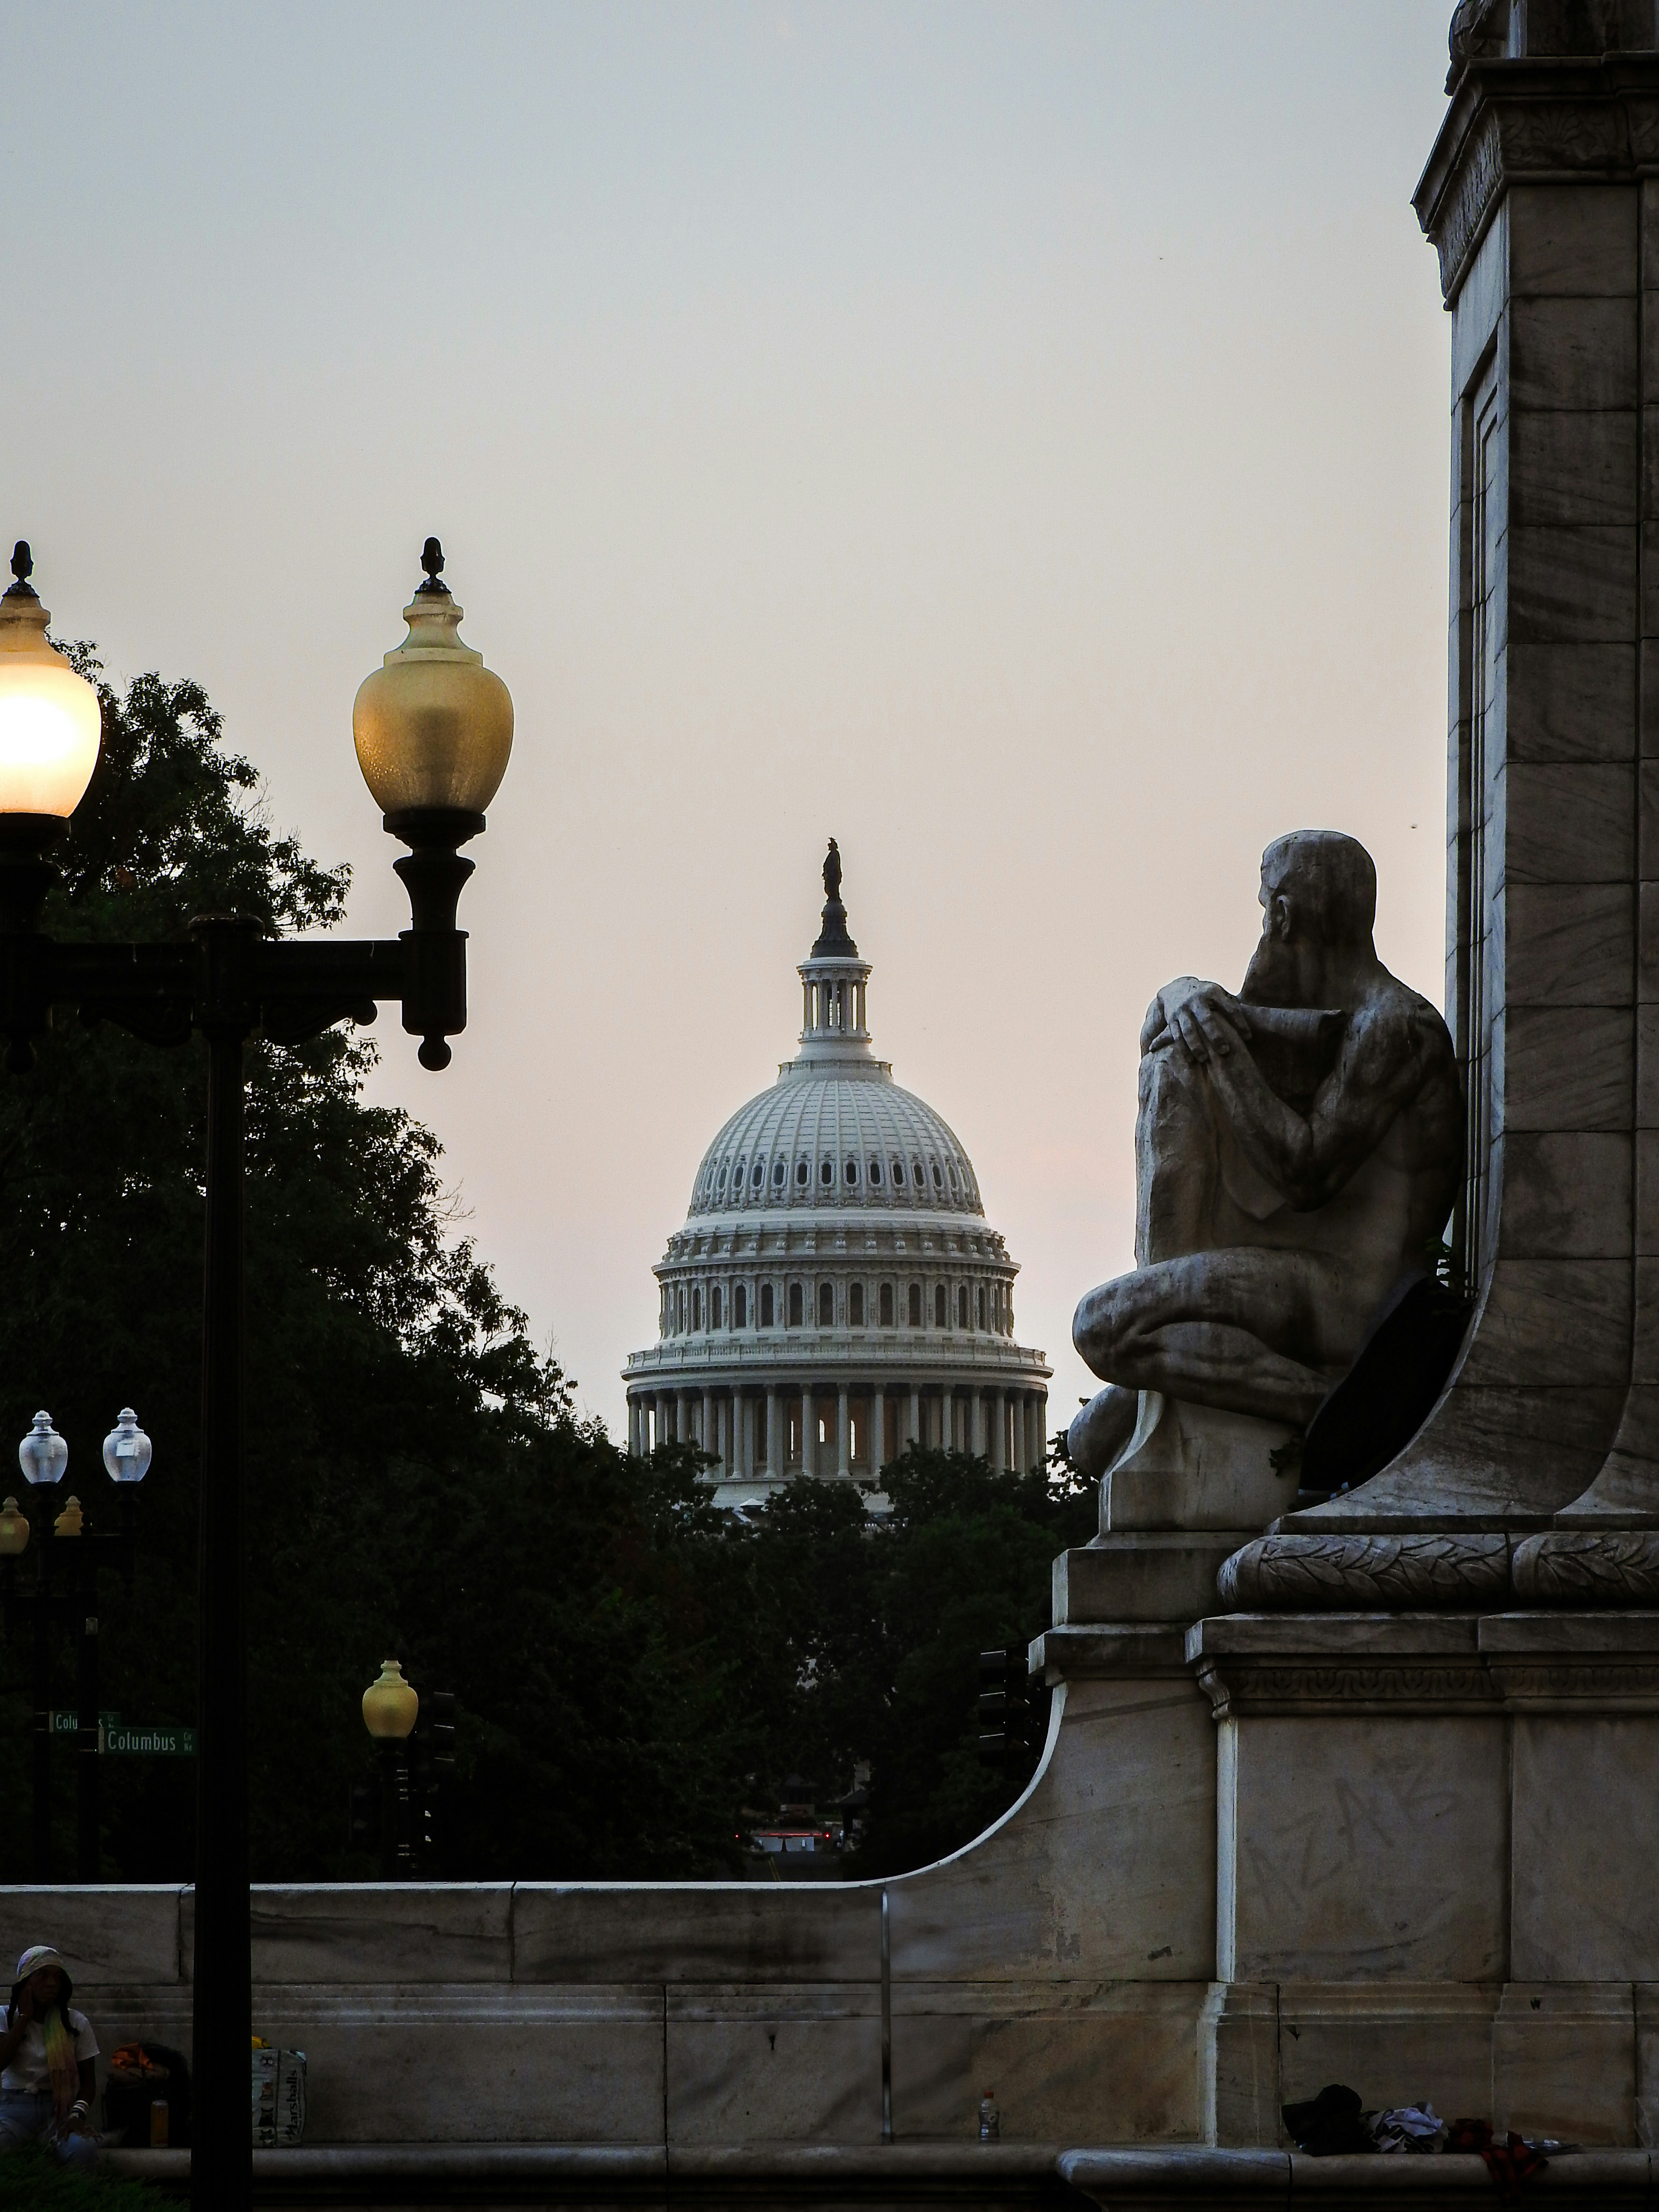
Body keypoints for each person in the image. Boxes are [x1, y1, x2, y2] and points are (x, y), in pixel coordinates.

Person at [1071, 830, 1462, 1470]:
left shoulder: (1394, 1025)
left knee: (1102, 1325)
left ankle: (1336, 1407)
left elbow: (1307, 1171)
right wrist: (1181, 993)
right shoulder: (1343, 1017)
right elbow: (1166, 1031)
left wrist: (1219, 1045)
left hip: (1358, 1299)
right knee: (1089, 1440)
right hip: (1308, 1275)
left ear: (1281, 915)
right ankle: (1172, 1388)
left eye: (1264, 908)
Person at [0, 1946, 99, 2163]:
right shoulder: (4, 2016)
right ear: (26, 1982)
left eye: (57, 1978)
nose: (52, 1983)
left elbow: (89, 2083)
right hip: (12, 2109)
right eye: (43, 1976)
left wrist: (76, 2116)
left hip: (58, 2111)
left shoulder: (75, 2022)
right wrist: (25, 2016)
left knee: (83, 2150)